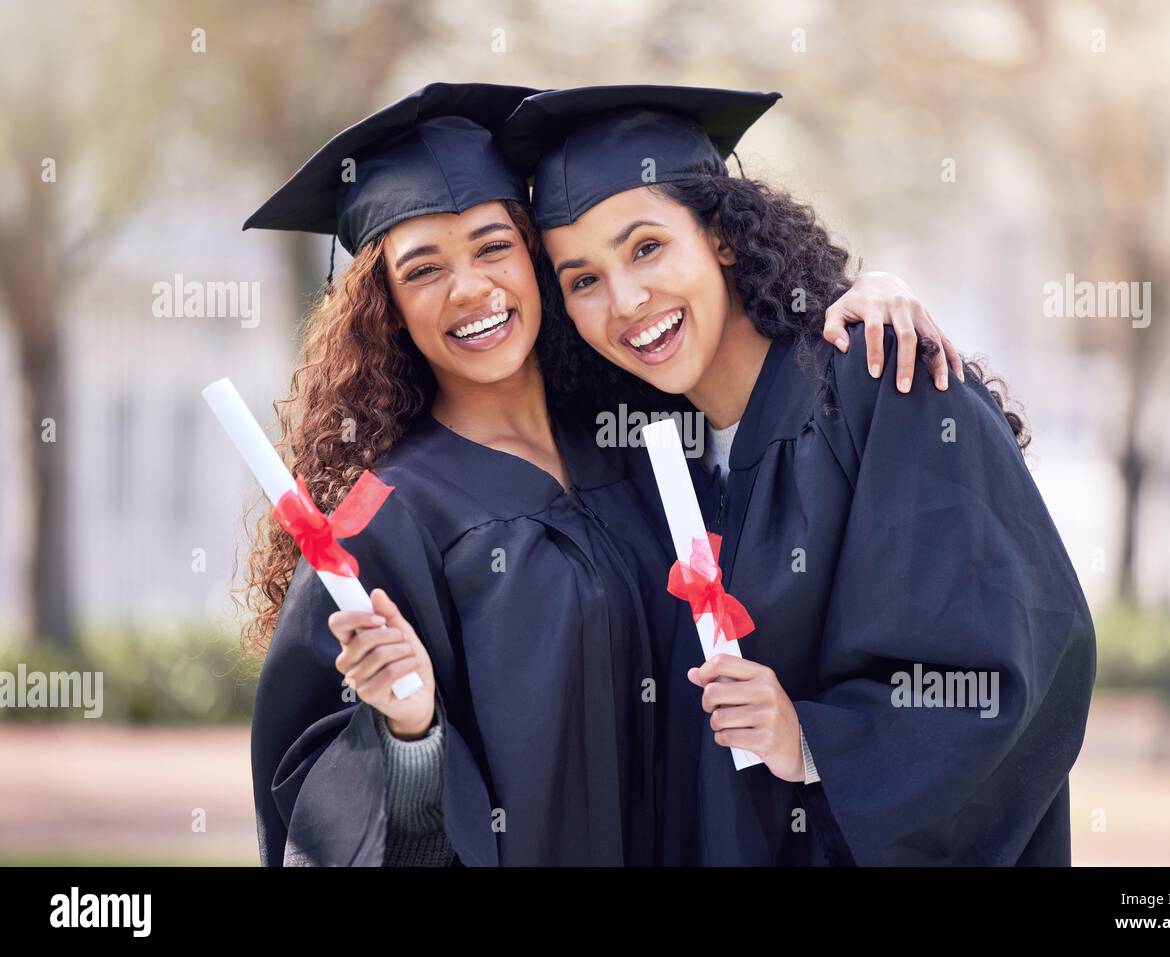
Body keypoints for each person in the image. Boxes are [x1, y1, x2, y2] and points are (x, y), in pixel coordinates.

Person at [238, 82, 960, 865]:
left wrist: (859, 295)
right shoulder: (385, 521)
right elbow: (324, 813)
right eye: (423, 270)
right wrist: (411, 736)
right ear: (387, 307)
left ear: (537, 262)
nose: (472, 288)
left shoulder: (651, 443)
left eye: (492, 246)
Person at [502, 84, 1098, 865]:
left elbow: (1016, 667)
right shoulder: (639, 460)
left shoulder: (877, 386)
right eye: (582, 280)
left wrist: (814, 740)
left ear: (719, 233)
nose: (625, 299)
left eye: (646, 246)